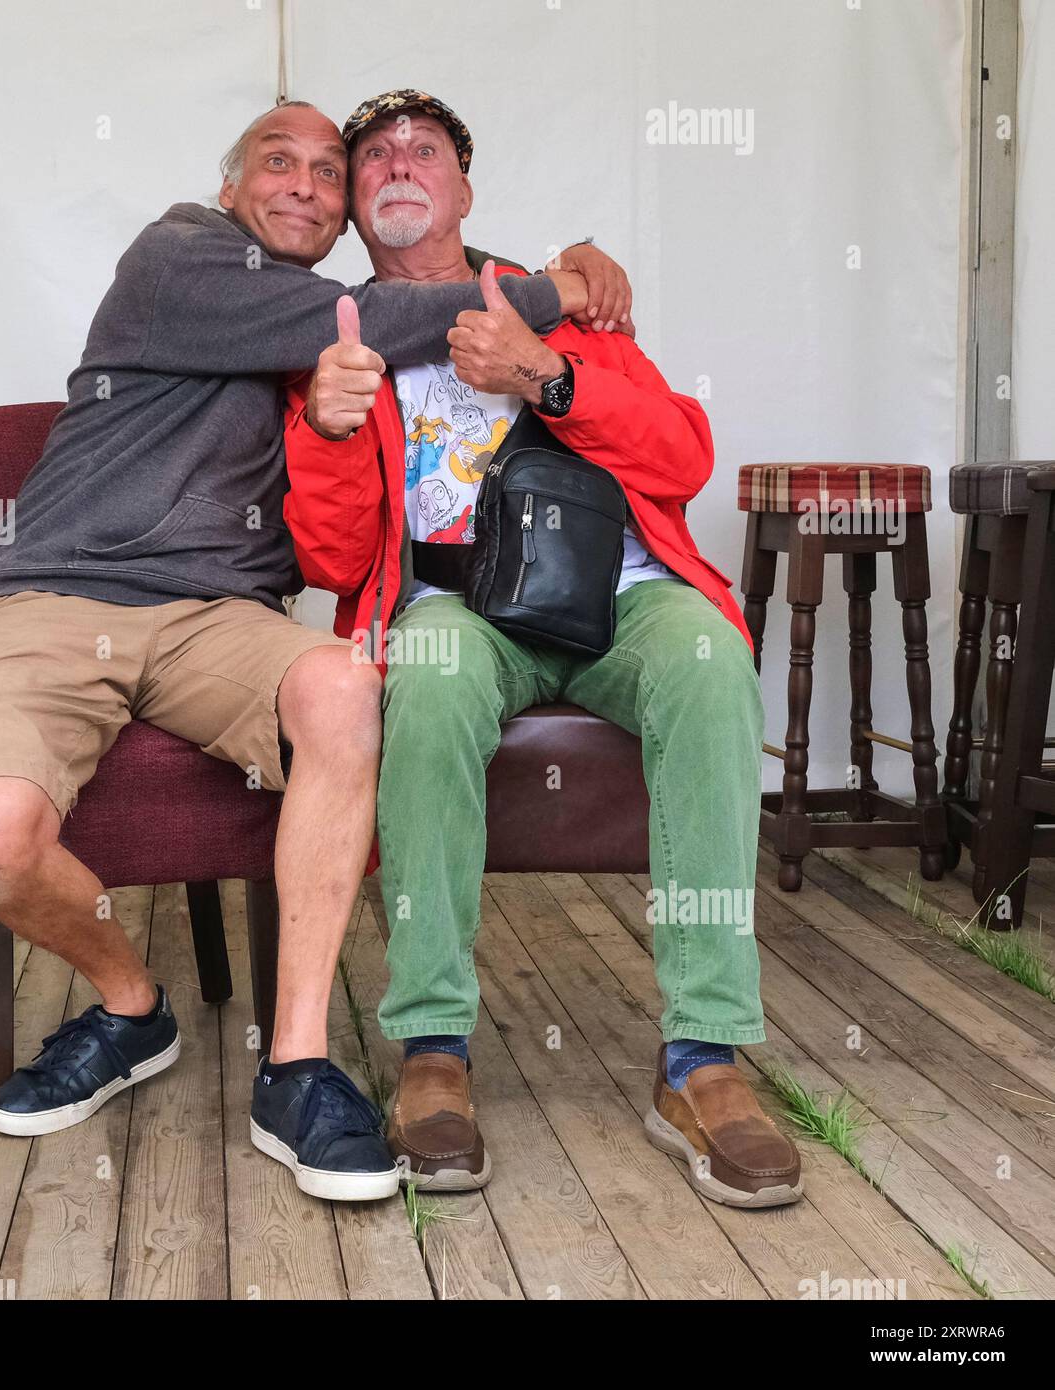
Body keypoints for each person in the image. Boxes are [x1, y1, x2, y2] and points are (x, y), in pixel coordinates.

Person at [0, 97, 629, 1202]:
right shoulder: (180, 252)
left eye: (326, 173)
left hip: (221, 616)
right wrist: (557, 286)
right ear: (231, 185)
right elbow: (374, 316)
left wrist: (542, 289)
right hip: (61, 599)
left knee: (347, 686)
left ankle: (294, 1062)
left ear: (348, 211)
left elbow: (372, 463)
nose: (303, 182)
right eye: (276, 161)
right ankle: (129, 1004)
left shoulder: (324, 333)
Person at [282, 90, 803, 1207]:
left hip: (620, 593)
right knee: (422, 675)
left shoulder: (560, 305)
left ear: (465, 190)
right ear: (352, 205)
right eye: (373, 156)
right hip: (458, 606)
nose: (398, 165)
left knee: (713, 662)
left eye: (424, 149)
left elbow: (681, 457)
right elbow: (330, 559)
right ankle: (432, 1047)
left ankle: (703, 1058)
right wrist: (325, 428)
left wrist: (543, 375)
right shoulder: (339, 338)